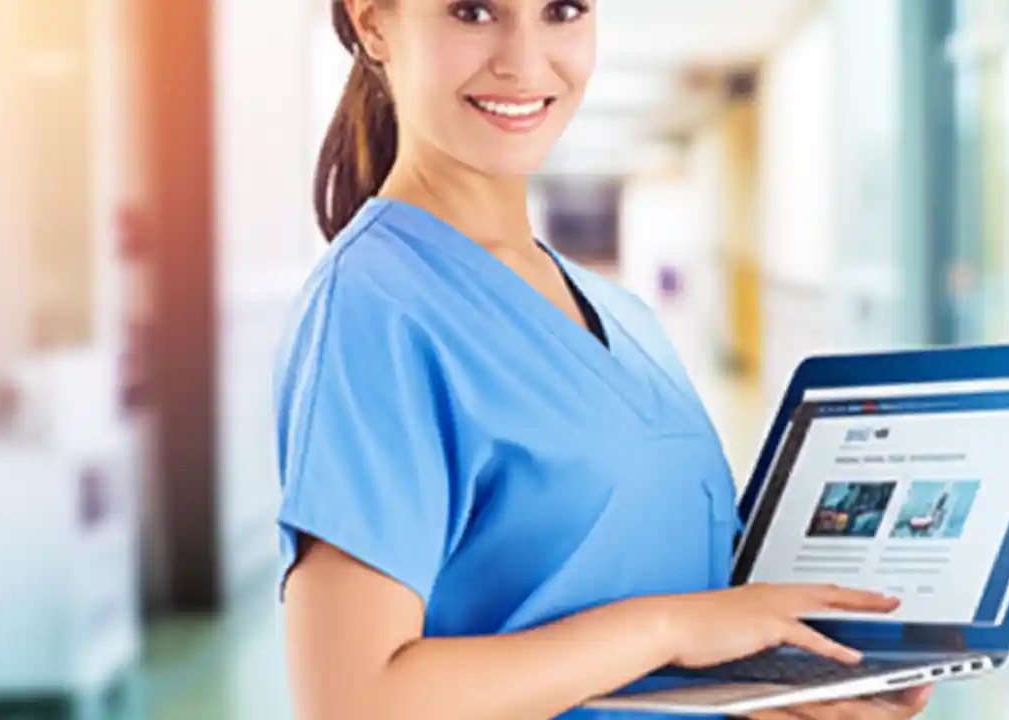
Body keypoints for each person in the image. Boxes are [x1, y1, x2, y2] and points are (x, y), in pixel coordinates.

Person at [275, 1, 935, 718]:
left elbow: (643, 662)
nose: (524, 61)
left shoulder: (623, 315)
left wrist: (776, 693)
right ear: (374, 23)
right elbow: (356, 702)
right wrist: (672, 629)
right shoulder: (375, 307)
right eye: (472, 11)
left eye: (562, 11)